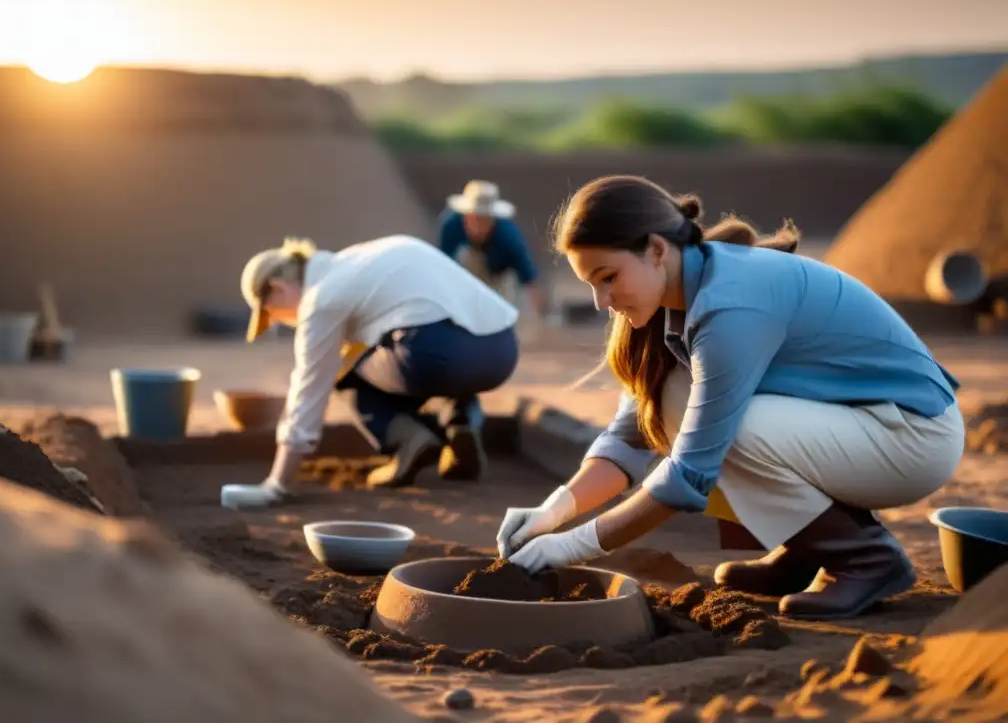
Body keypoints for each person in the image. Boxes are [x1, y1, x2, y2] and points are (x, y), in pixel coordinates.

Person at [496, 175, 964, 621]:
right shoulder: (672, 298)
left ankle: (866, 559)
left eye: (608, 277)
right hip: (859, 426)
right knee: (674, 399)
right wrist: (552, 511)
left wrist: (571, 546)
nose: (601, 301)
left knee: (728, 429)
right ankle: (809, 547)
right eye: (590, 285)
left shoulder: (729, 307)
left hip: (913, 436)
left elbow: (687, 475)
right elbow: (631, 433)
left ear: (656, 250)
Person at [220, 235, 519, 510]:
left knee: (342, 374)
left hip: (436, 354)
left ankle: (407, 439)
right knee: (413, 351)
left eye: (273, 314)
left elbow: (310, 387)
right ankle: (460, 421)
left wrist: (277, 484)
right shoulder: (360, 260)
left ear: (278, 289)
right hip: (500, 351)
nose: (282, 322)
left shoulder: (320, 298)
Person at [437, 180, 546, 317]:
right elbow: (440, 262)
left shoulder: (508, 238)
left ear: (492, 219)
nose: (478, 225)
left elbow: (528, 277)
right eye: (474, 218)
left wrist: (542, 312)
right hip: (461, 279)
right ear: (466, 215)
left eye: (484, 219)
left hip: (497, 282)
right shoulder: (451, 226)